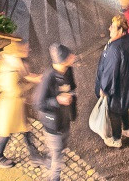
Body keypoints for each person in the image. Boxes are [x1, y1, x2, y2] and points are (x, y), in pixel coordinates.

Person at [0, 41, 46, 168]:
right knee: (6, 133)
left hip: (16, 106)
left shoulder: (15, 62)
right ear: (17, 50)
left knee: (25, 130)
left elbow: (22, 77)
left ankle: (35, 157)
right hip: (10, 108)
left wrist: (30, 78)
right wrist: (33, 81)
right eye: (25, 48)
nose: (29, 49)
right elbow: (15, 90)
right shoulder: (10, 69)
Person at [94, 14, 129, 148]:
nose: (109, 29)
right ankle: (126, 129)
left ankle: (116, 139)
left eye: (113, 26)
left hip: (117, 88)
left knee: (114, 113)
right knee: (124, 106)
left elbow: (110, 71)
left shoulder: (114, 48)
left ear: (120, 30)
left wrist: (104, 88)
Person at [34, 44, 77, 181]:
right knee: (57, 159)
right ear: (62, 60)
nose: (73, 57)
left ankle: (49, 158)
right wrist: (57, 100)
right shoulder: (48, 77)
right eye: (70, 56)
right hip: (53, 126)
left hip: (65, 120)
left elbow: (72, 88)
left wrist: (72, 108)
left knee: (60, 148)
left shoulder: (68, 70)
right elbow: (38, 103)